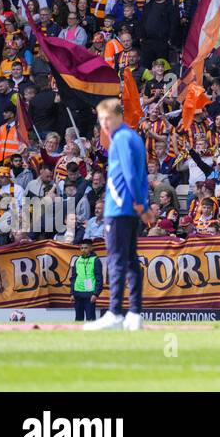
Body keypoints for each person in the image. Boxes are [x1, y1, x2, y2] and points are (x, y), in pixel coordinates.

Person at [84, 98, 148, 331]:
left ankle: (115, 313)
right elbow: (140, 176)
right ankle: (134, 313)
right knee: (130, 261)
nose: (104, 124)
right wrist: (142, 205)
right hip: (129, 210)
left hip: (119, 208)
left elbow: (130, 175)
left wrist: (140, 204)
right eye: (101, 120)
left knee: (117, 260)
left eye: (106, 118)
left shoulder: (120, 138)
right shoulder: (134, 138)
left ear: (119, 116)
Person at [71, 237, 104, 322]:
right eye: (81, 248)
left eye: (85, 248)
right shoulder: (77, 260)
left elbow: (99, 279)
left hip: (90, 294)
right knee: (78, 319)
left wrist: (96, 294)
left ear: (91, 248)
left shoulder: (95, 260)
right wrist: (72, 293)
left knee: (91, 319)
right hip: (78, 293)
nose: (83, 250)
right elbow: (74, 277)